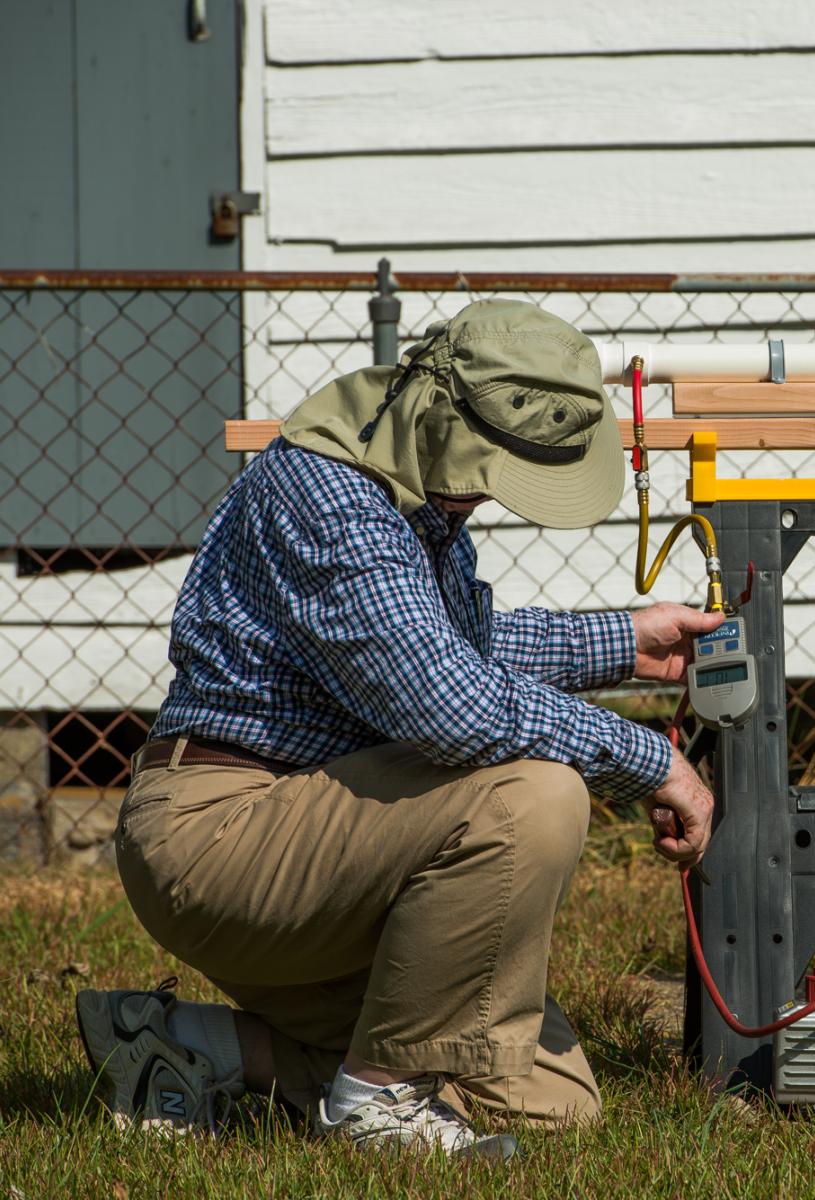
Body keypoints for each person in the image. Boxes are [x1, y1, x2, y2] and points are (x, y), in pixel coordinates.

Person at [73, 299, 721, 1159]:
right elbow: (450, 704)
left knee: (552, 1108)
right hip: (226, 831)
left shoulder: (418, 497)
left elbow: (446, 650)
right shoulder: (330, 499)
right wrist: (650, 761)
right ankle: (377, 1105)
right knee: (533, 798)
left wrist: (625, 643)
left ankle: (190, 1044)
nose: (495, 492)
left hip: (333, 841)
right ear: (448, 423)